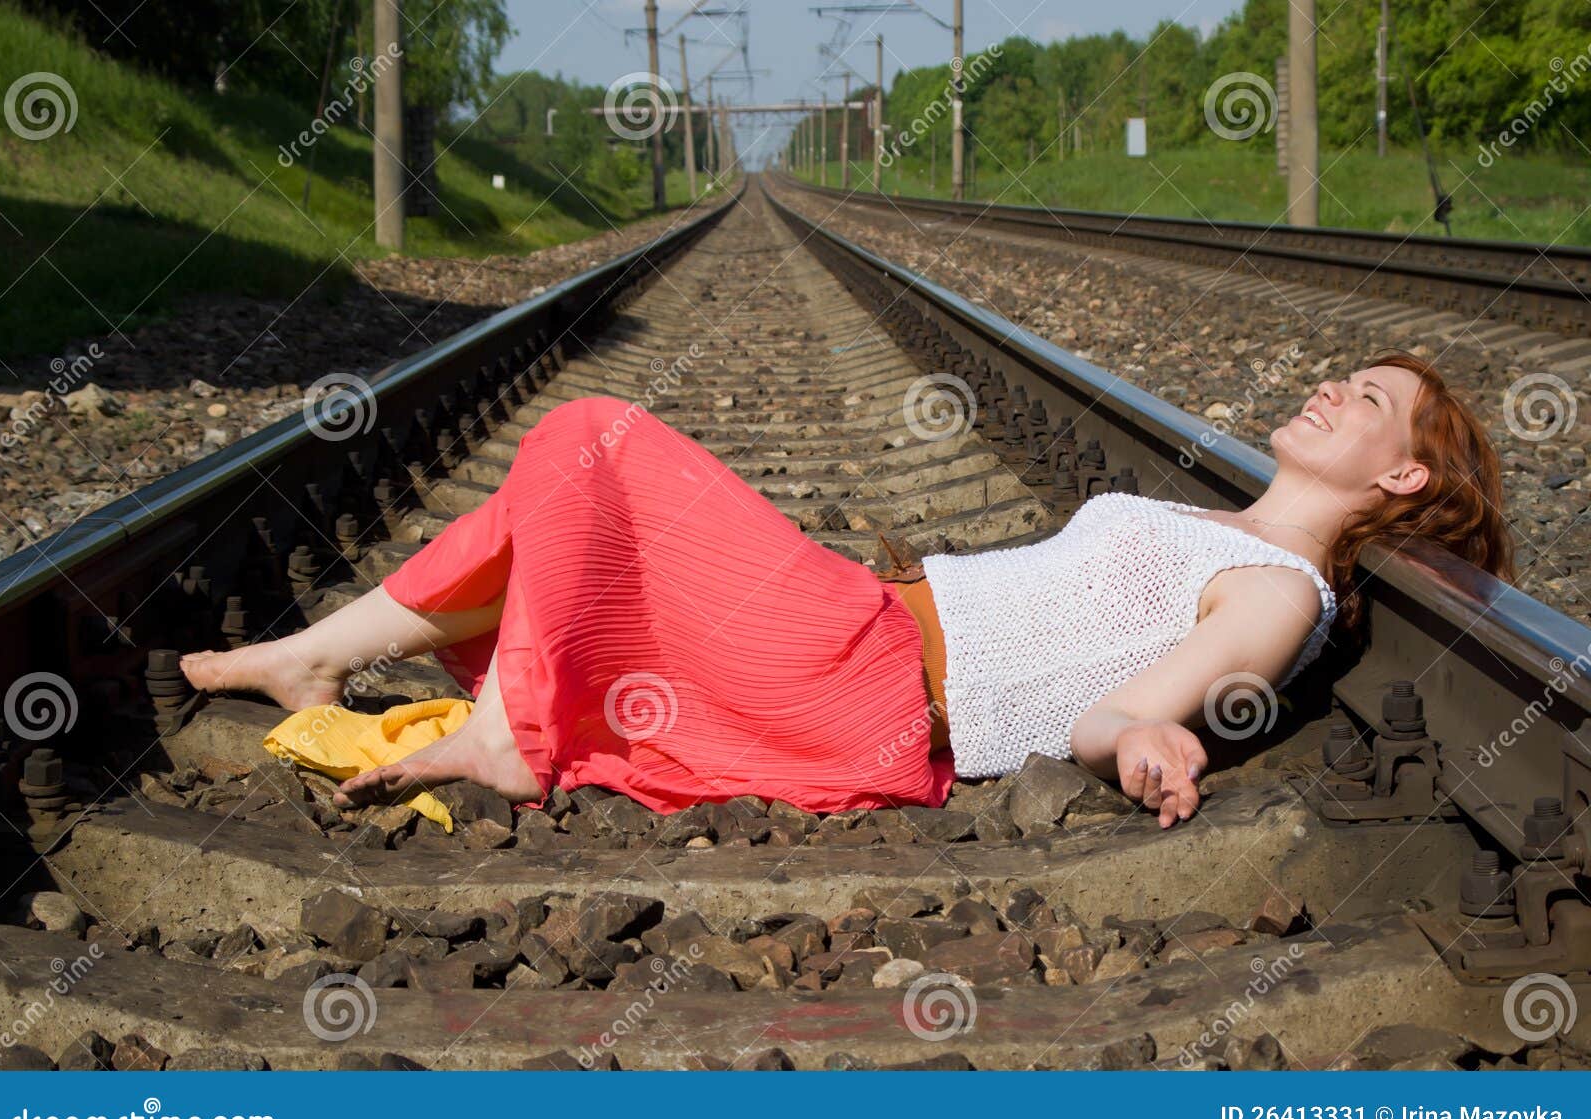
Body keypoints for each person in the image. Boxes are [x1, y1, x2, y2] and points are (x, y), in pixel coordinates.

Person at [180, 350, 1511, 830]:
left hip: (875, 670)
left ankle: (507, 737)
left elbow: (1128, 711)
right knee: (565, 507)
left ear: (1402, 475)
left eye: (1372, 399)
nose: (1335, 387)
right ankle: (315, 656)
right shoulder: (1225, 523)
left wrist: (1154, 738)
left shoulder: (1280, 591)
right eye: (1346, 376)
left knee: (592, 435)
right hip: (858, 633)